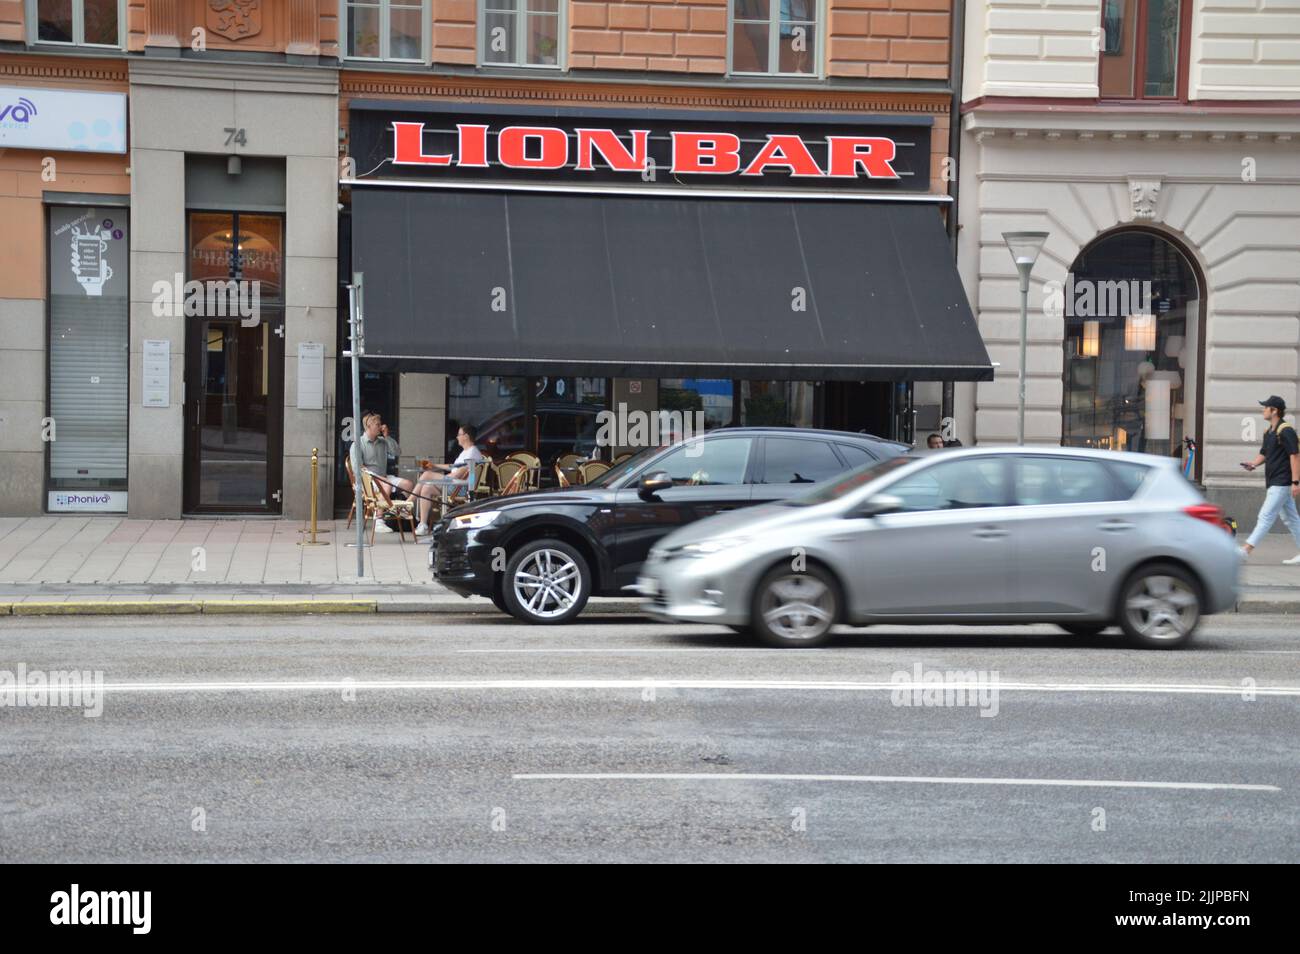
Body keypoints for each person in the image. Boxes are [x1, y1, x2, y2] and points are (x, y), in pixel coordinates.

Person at [1239, 395, 1300, 563]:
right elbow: (1264, 453)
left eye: (1266, 407)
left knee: (1265, 516)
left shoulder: (1286, 431)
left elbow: (1295, 456)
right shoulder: (1269, 432)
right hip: (1275, 481)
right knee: (1291, 519)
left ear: (1275, 411)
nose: (1263, 410)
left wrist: (1296, 482)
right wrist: (1253, 464)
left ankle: (1246, 550)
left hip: (1282, 482)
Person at [414, 424, 486, 535]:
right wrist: (435, 465)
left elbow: (458, 474)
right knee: (426, 487)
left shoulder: (472, 453)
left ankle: (407, 504)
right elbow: (453, 467)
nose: (457, 437)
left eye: (459, 434)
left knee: (427, 475)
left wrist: (441, 479)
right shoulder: (466, 452)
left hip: (460, 487)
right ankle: (423, 524)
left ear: (466, 436)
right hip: (455, 484)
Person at [349, 413, 413, 534]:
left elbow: (397, 452)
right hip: (367, 479)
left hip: (384, 477)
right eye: (377, 424)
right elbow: (357, 468)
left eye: (380, 424)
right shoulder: (358, 443)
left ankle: (403, 511)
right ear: (368, 426)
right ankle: (379, 521)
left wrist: (387, 436)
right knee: (387, 485)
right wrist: (373, 476)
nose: (381, 426)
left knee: (408, 484)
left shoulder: (383, 441)